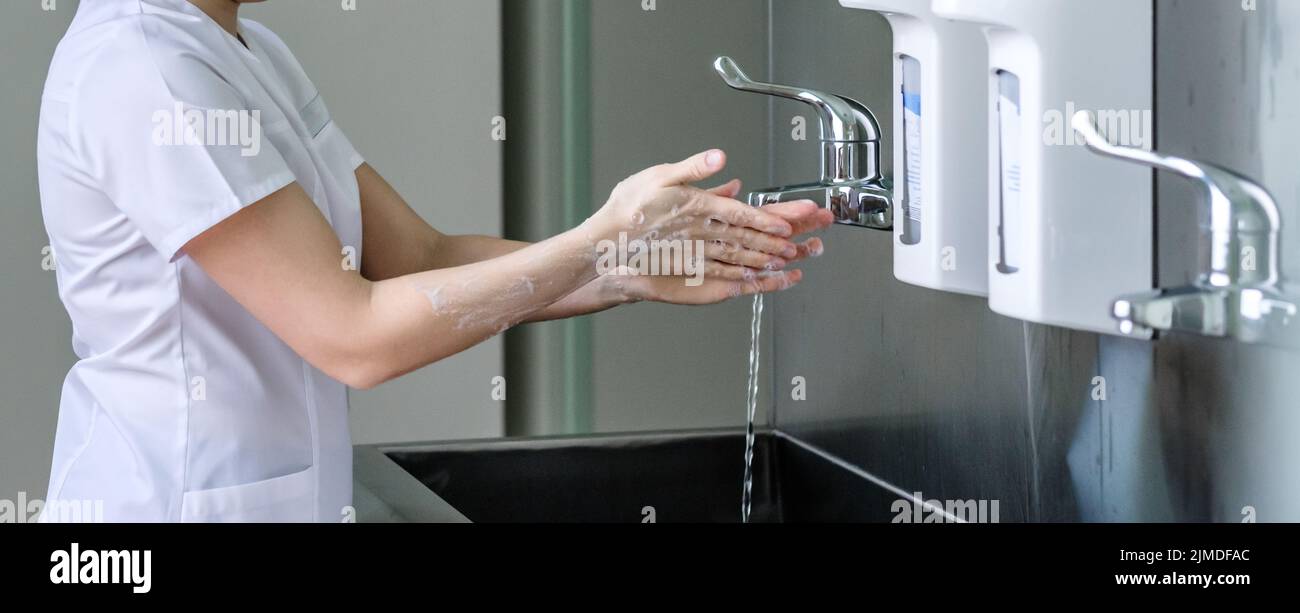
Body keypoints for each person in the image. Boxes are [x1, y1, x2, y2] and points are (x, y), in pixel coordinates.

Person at [35, 0, 832, 522]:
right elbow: (353, 333)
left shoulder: (249, 49)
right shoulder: (143, 66)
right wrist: (603, 236)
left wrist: (622, 267)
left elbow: (416, 256)